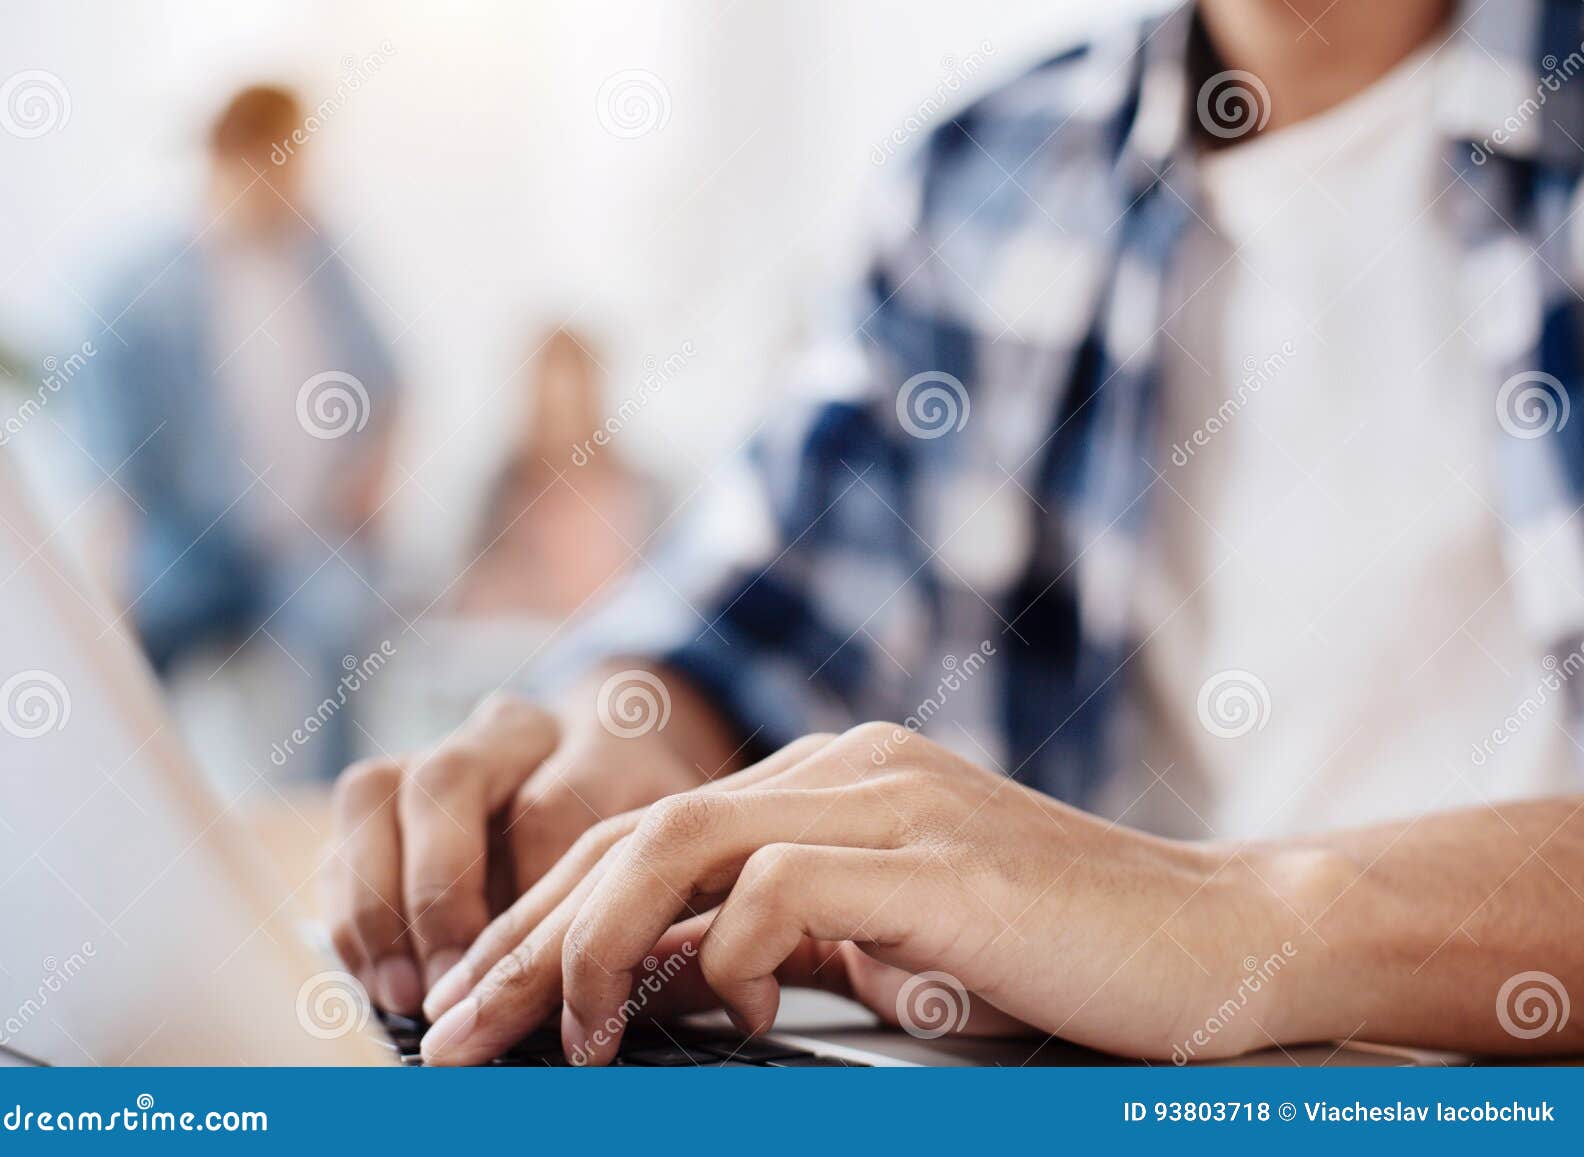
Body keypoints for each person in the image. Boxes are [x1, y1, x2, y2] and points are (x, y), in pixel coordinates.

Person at [324, 0, 1584, 1064]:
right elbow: (759, 605)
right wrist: (611, 758)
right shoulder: (988, 170)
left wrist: (1224, 916)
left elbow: (1201, 920)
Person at [80, 85, 401, 778]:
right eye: (285, 161)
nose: (300, 182)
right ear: (236, 157)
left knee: (341, 624)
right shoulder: (141, 285)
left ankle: (328, 810)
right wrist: (112, 566)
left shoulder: (323, 263)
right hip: (188, 542)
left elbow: (388, 378)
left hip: (307, 540)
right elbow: (109, 451)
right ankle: (141, 796)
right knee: (136, 649)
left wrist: (373, 480)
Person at [454, 326, 647, 619]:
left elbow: (648, 596)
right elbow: (472, 593)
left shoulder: (636, 491)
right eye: (551, 400)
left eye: (572, 400)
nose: (562, 417)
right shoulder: (504, 487)